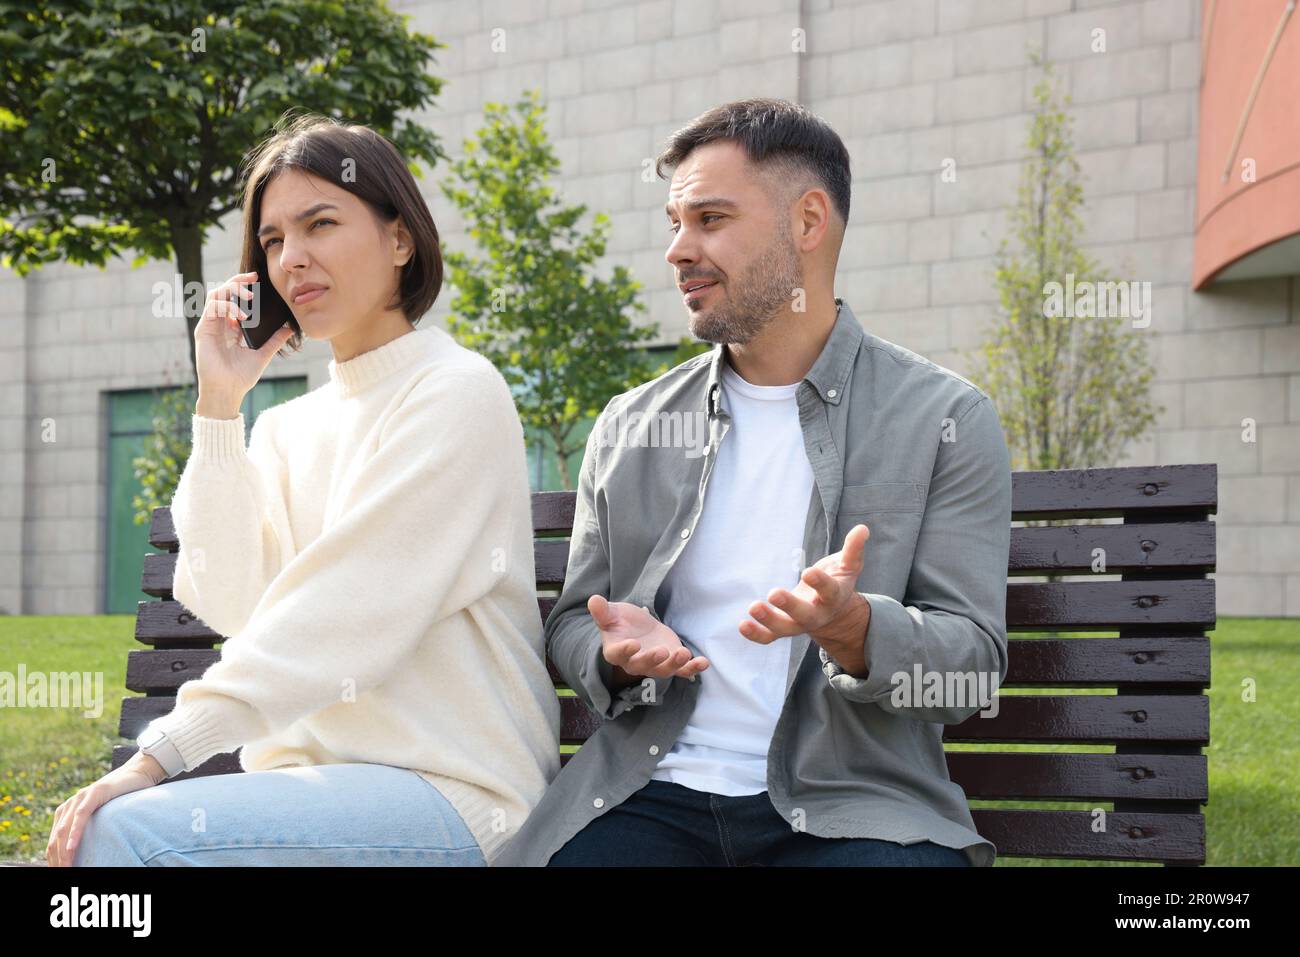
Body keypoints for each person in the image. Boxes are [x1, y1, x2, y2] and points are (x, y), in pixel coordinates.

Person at [493, 98, 1012, 867]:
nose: (678, 249)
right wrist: (613, 655)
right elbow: (574, 623)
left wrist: (856, 630)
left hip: (853, 808)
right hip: (648, 794)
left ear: (808, 222)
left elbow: (969, 673)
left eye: (710, 218)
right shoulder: (632, 425)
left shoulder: (945, 418)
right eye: (674, 221)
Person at [48, 112, 560, 867]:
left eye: (321, 223)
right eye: (274, 239)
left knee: (127, 837)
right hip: (311, 795)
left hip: (456, 795)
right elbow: (229, 599)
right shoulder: (287, 426)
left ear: (399, 239)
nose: (293, 258)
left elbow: (345, 608)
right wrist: (219, 407)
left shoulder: (455, 393)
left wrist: (158, 755)